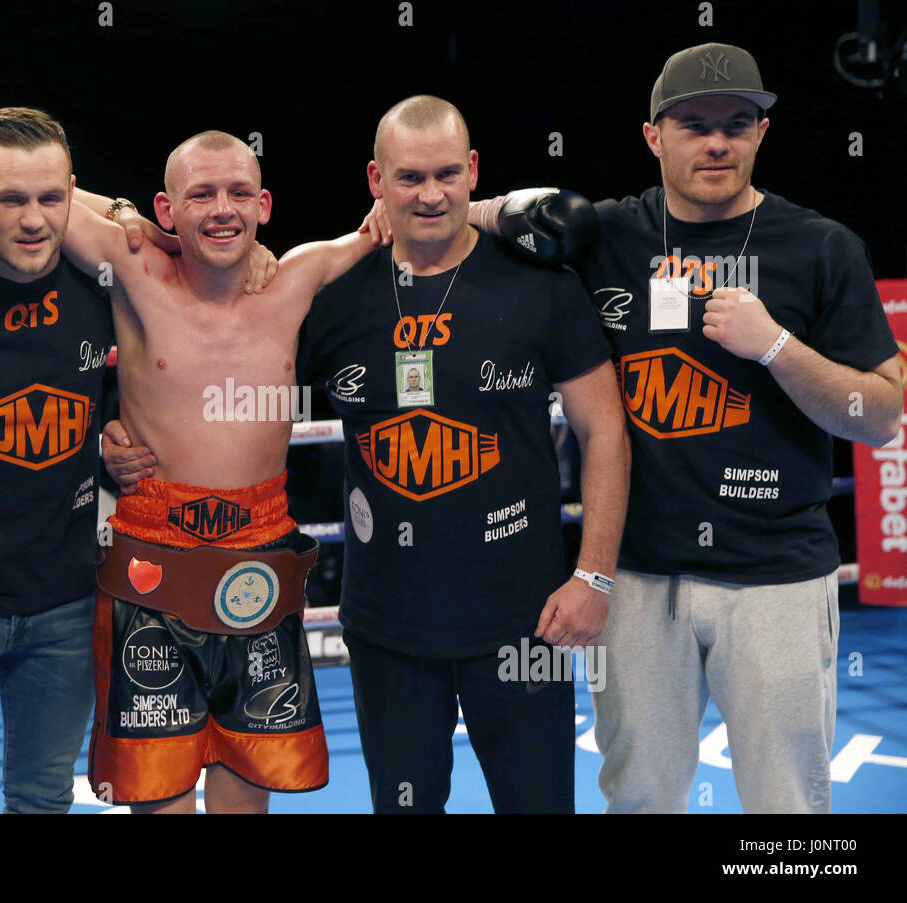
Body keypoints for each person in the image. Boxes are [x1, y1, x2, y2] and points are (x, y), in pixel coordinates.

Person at [109, 97, 631, 813]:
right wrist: (125, 437)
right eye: (409, 176)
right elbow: (218, 371)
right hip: (389, 624)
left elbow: (604, 430)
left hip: (525, 617)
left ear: (474, 172)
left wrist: (595, 577)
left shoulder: (540, 286)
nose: (431, 193)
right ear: (375, 180)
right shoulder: (332, 298)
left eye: (448, 173)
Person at [471, 43, 903, 812]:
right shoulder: (606, 234)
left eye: (737, 124)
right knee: (639, 797)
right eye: (694, 124)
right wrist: (392, 219)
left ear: (761, 135)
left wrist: (775, 344)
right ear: (652, 136)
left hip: (777, 576)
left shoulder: (823, 247)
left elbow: (880, 416)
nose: (716, 142)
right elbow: (470, 219)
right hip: (637, 579)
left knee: (787, 807)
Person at [64, 130, 386, 813]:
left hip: (259, 562)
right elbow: (22, 191)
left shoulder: (297, 277)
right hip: (152, 559)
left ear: (265, 204)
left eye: (240, 192)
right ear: (166, 206)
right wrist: (123, 208)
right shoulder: (134, 266)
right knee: (161, 797)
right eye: (201, 194)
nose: (222, 210)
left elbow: (414, 215)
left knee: (245, 798)